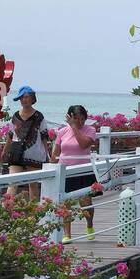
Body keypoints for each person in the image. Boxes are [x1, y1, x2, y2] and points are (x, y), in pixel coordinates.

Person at [51, 104, 97, 242]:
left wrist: (75, 127)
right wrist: (50, 168)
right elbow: (56, 153)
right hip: (65, 170)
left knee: (86, 203)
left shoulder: (90, 130)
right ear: (70, 117)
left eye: (83, 118)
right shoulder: (62, 131)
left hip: (83, 170)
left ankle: (89, 225)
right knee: (65, 203)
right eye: (77, 119)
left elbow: (84, 144)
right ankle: (67, 234)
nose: (80, 121)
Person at [5, 86, 49, 198]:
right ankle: (7, 209)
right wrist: (5, 151)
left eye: (26, 97)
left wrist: (47, 154)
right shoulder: (15, 116)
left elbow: (44, 136)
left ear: (32, 98)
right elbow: (10, 135)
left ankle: (33, 213)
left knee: (33, 184)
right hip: (16, 152)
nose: (24, 100)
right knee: (12, 183)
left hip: (33, 154)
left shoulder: (39, 116)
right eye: (21, 98)